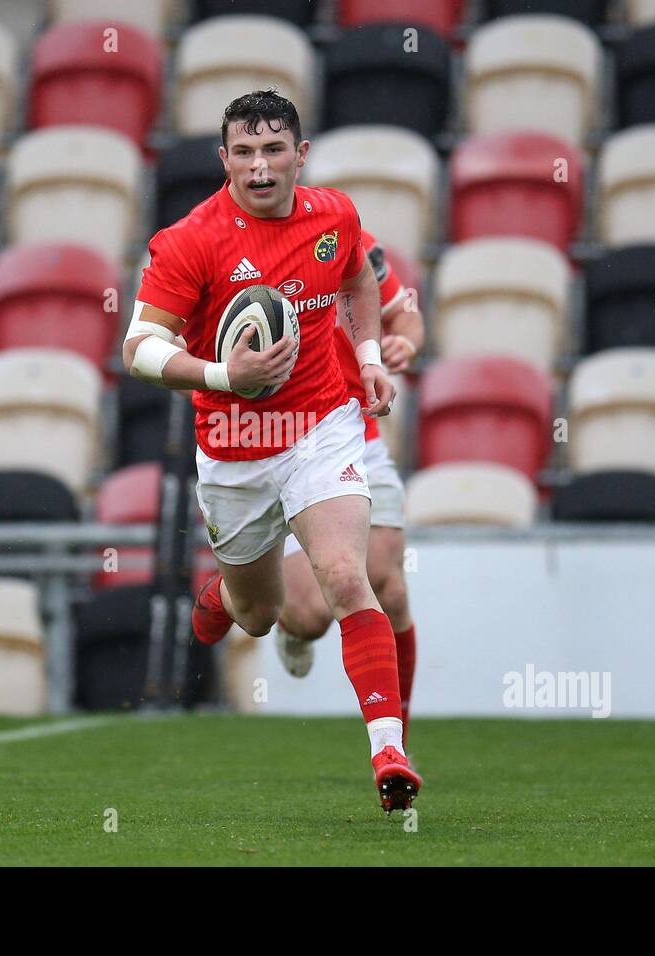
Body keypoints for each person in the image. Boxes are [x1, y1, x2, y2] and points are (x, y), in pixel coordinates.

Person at [122, 90, 421, 812]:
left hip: (323, 426)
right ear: (225, 159)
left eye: (274, 150)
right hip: (235, 447)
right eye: (245, 153)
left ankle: (390, 751)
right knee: (259, 614)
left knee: (351, 575)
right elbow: (138, 348)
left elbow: (358, 275)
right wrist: (230, 376)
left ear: (300, 154)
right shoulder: (191, 240)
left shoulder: (334, 216)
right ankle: (224, 593)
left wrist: (370, 353)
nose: (260, 167)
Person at [272, 229, 423, 753]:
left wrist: (403, 341)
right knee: (312, 615)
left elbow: (406, 314)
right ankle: (289, 627)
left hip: (356, 436)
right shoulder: (229, 244)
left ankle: (393, 737)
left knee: (390, 584)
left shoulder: (347, 239)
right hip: (277, 443)